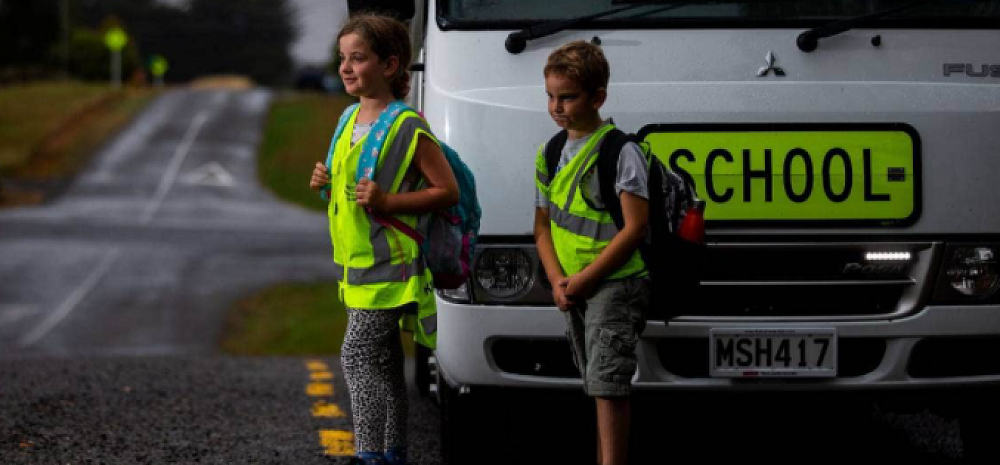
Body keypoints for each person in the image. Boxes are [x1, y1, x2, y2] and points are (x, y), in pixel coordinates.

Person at [308, 13, 459, 465]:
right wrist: (326, 181)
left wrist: (390, 202)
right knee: (386, 362)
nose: (346, 68)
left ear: (391, 65)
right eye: (342, 59)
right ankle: (393, 452)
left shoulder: (407, 125)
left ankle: (368, 454)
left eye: (359, 58)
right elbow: (348, 192)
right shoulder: (348, 117)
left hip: (391, 268)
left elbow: (445, 191)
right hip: (357, 267)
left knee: (356, 357)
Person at [533, 40, 650, 465]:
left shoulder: (621, 152)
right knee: (595, 381)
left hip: (615, 284)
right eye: (550, 96)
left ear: (598, 97)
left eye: (568, 97)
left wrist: (584, 279)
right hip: (574, 286)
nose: (556, 107)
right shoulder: (550, 153)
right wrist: (557, 280)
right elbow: (542, 226)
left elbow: (635, 229)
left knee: (608, 386)